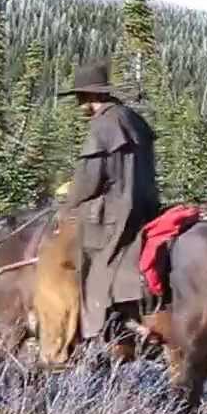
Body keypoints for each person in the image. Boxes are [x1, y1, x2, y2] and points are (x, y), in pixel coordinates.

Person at [57, 61, 160, 342]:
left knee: (77, 250)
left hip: (117, 208)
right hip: (146, 203)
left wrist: (67, 206)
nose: (79, 105)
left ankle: (99, 319)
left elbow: (90, 180)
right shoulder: (131, 118)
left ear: (91, 97)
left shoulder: (103, 125)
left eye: (80, 98)